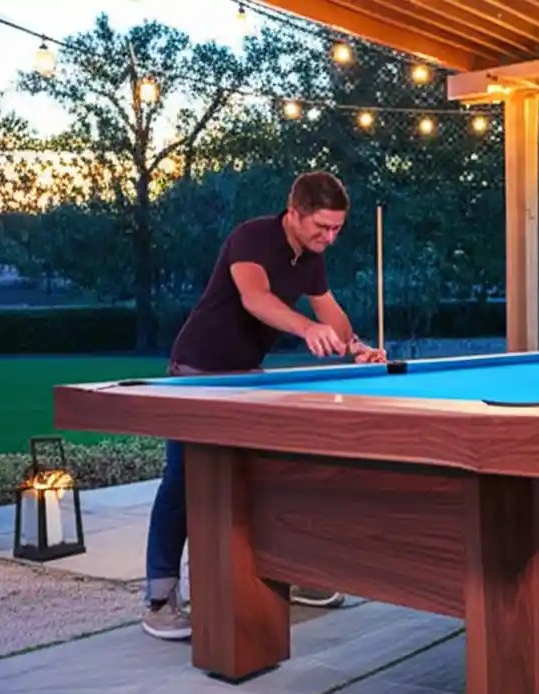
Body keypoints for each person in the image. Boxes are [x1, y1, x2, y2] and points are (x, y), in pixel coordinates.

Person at [141, 171, 387, 640]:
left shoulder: (310, 256)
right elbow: (256, 300)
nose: (329, 238)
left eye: (337, 229)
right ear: (294, 213)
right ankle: (158, 600)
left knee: (270, 476)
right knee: (183, 483)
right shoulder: (251, 237)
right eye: (322, 227)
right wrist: (306, 330)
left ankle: (286, 575)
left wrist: (355, 345)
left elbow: (329, 312)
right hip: (197, 371)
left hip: (247, 375)